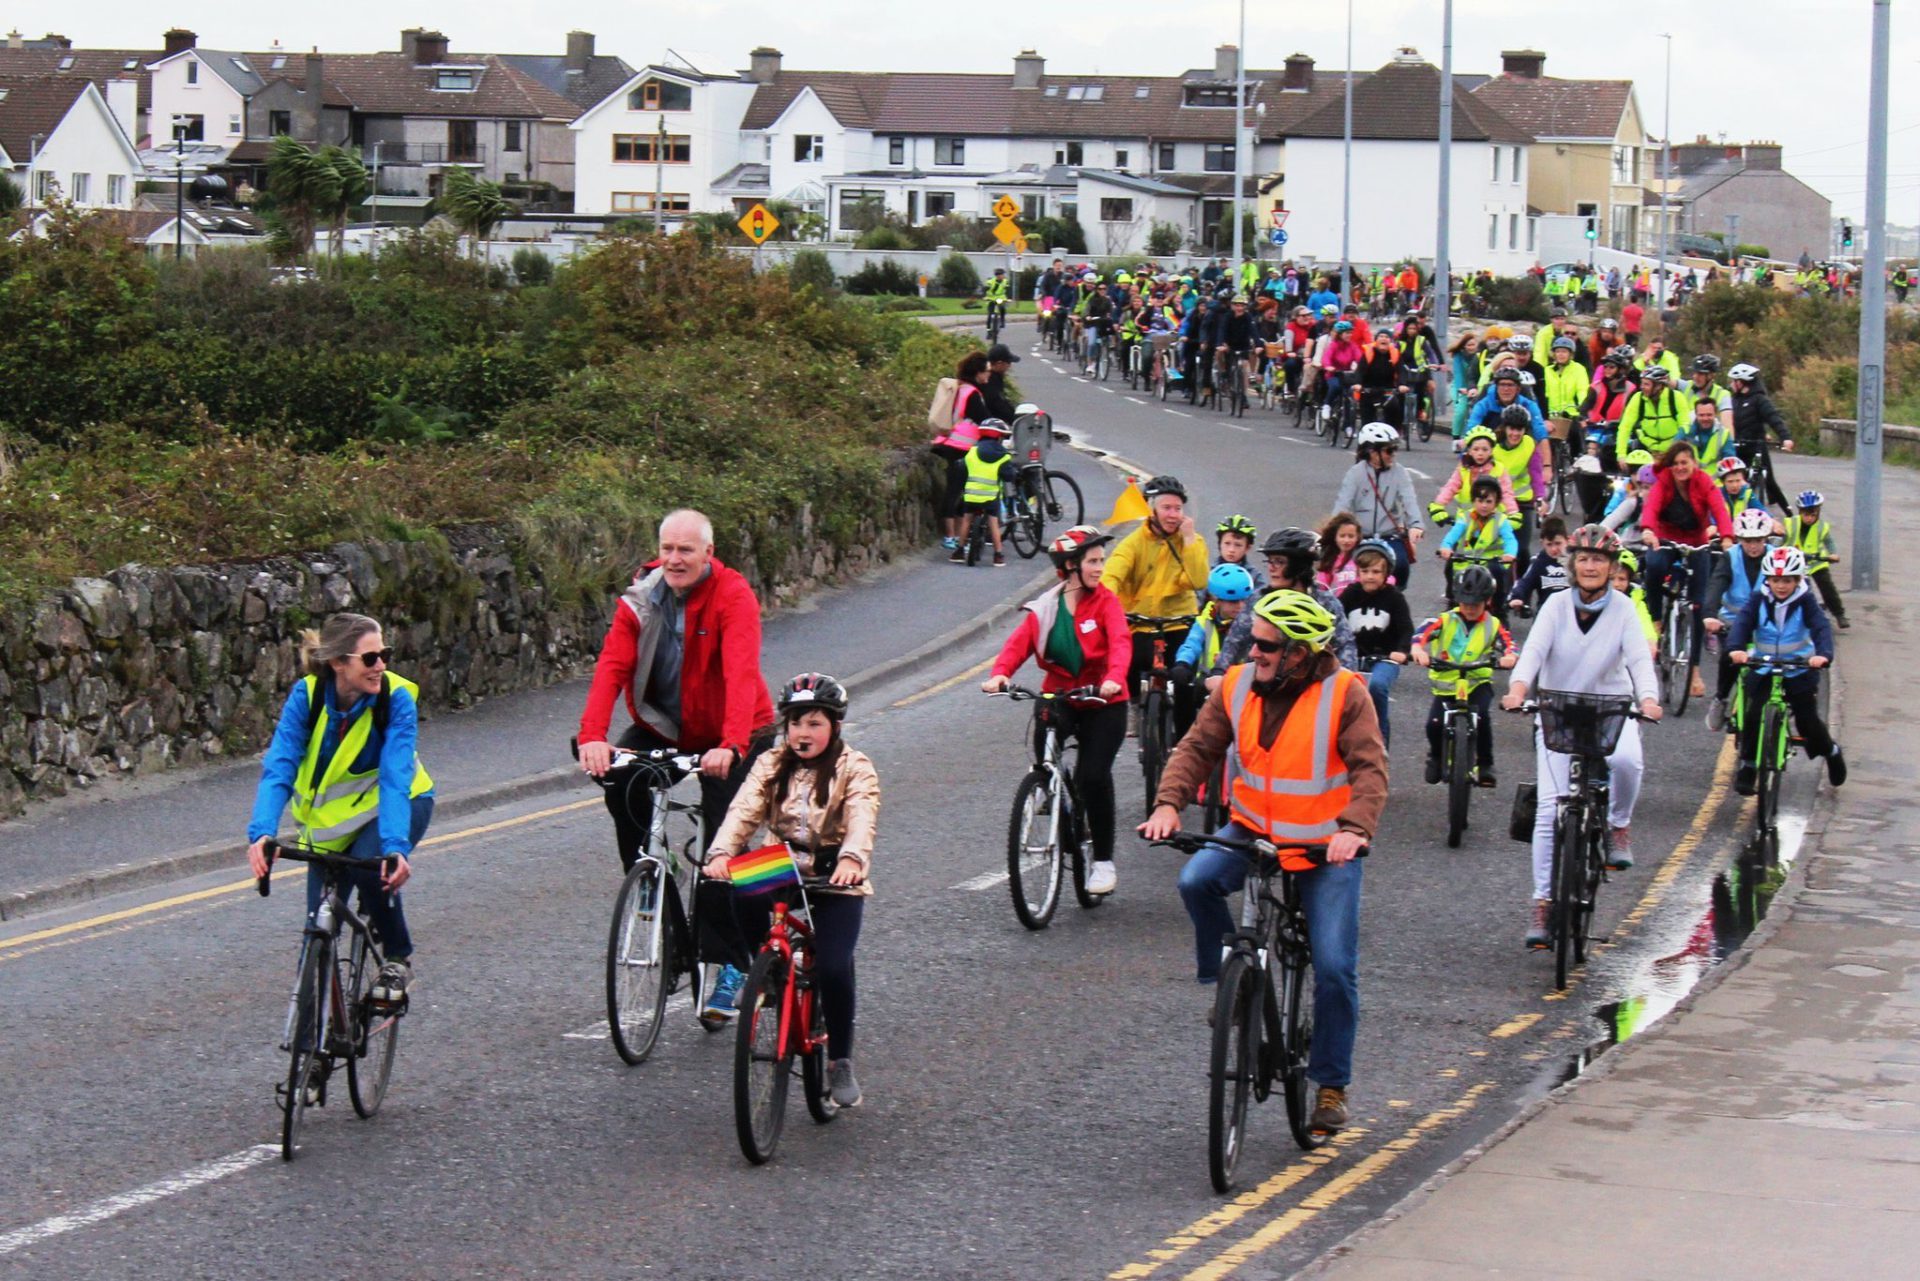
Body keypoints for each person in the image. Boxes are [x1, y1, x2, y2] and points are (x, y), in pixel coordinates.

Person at [1141, 590, 1386, 1137]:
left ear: (1299, 653)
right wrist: (1167, 804)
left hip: (1325, 844)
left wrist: (1354, 830)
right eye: (1254, 642)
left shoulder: (1346, 693)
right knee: (1196, 881)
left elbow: (1371, 769)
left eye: (1267, 646)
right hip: (1252, 828)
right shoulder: (1238, 684)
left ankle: (1330, 1085)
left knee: (1334, 967)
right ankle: (1231, 984)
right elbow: (1196, 747)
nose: (1254, 652)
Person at [700, 674, 878, 1107]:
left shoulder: (855, 766)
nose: (803, 733)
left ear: (835, 726)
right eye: (796, 723)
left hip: (835, 871)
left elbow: (862, 814)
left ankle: (839, 1061)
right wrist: (722, 852)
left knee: (833, 967)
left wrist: (853, 860)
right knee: (733, 884)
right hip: (781, 861)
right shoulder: (770, 762)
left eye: (815, 723)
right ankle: (762, 968)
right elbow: (743, 809)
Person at [247, 612, 434, 1005]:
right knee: (316, 930)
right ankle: (310, 1037)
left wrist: (394, 846)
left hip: (398, 806)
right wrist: (262, 832)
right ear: (338, 662)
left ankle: (397, 959)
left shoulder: (395, 699)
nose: (381, 665)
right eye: (370, 658)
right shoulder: (308, 697)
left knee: (370, 867)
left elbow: (395, 778)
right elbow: (280, 766)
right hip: (332, 827)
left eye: (385, 654)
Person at [578, 509, 775, 870]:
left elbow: (741, 674)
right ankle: (652, 877)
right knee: (621, 782)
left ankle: (755, 898)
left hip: (739, 731)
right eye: (667, 548)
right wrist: (592, 735)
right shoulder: (642, 598)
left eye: (685, 550)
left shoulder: (732, 595)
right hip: (668, 726)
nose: (673, 559)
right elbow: (612, 666)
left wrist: (731, 744)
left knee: (722, 848)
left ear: (708, 553)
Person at [1502, 525, 1662, 947]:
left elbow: (1639, 661)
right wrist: (1518, 690)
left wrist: (1648, 700)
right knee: (1548, 809)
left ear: (1612, 567)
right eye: (1584, 559)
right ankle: (1542, 902)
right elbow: (1533, 653)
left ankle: (1618, 826)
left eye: (1599, 560)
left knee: (1627, 762)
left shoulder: (1624, 609)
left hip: (1611, 709)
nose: (1591, 566)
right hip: (1558, 710)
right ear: (1573, 565)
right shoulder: (1555, 605)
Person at [985, 526, 1132, 895]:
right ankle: (1048, 785)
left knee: (1093, 777)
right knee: (1044, 725)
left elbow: (1121, 643)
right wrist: (1000, 674)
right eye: (1093, 561)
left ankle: (1103, 862)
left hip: (1104, 699)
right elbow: (1019, 643)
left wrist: (1113, 679)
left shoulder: (1107, 603)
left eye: (1101, 560)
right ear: (1071, 566)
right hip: (1063, 693)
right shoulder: (1047, 607)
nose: (1100, 568)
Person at [1728, 547, 1846, 795]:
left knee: (1807, 722)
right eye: (1775, 580)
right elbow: (1742, 623)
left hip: (1798, 668)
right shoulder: (1758, 599)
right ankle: (1749, 765)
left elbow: (1821, 627)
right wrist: (1736, 648)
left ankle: (1831, 751)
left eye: (1787, 580)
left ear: (1798, 579)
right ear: (1768, 579)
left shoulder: (1806, 601)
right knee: (1753, 714)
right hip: (1764, 666)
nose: (1781, 586)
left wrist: (1823, 655)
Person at [1640, 440, 1734, 700]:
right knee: (1654, 566)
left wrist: (1727, 536)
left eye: (1685, 463)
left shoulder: (1704, 482)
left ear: (1694, 463)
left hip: (1696, 543)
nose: (1680, 467)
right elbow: (1652, 507)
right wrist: (1648, 530)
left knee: (1699, 605)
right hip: (1666, 539)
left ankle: (1694, 672)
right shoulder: (1664, 483)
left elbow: (1719, 509)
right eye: (1676, 463)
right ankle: (1656, 619)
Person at [1104, 474, 1211, 700]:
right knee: (1127, 665)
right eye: (1166, 508)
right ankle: (1133, 706)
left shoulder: (1193, 541)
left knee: (1185, 682)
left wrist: (1189, 540)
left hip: (1179, 621)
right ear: (1151, 510)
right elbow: (1111, 576)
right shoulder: (1133, 543)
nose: (1173, 515)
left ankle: (1183, 723)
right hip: (1140, 623)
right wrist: (1107, 606)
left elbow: (1198, 581)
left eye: (1178, 508)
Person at [1412, 565, 1516, 786]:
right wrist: (1418, 649)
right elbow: (1423, 632)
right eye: (1465, 603)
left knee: (1482, 717)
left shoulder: (1493, 625)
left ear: (1487, 601)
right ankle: (1436, 756)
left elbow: (1508, 644)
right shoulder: (1445, 620)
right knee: (1433, 724)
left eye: (1475, 604)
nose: (1469, 608)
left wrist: (1509, 656)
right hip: (1447, 684)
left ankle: (1486, 763)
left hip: (1476, 682)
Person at [1214, 528, 1359, 673]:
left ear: (1300, 566)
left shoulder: (1326, 603)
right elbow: (1234, 641)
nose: (1271, 568)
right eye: (1269, 561)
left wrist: (1345, 680)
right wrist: (1218, 673)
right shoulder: (1258, 599)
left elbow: (1345, 646)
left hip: (1308, 679)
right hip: (1260, 677)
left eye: (1279, 562)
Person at [1702, 506, 1780, 730]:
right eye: (1747, 541)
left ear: (1766, 538)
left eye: (1758, 540)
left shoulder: (1776, 557)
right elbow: (1716, 586)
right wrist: (1709, 615)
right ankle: (1721, 698)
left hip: (1766, 624)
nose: (1753, 546)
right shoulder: (1730, 557)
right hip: (1732, 623)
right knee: (1730, 658)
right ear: (1739, 539)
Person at [1340, 538, 1412, 747]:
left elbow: (1406, 629)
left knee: (1377, 686)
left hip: (1384, 659)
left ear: (1386, 573)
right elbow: (1334, 622)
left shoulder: (1395, 598)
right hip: (1352, 657)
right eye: (1365, 571)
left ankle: (1380, 742)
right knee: (1337, 691)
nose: (1370, 576)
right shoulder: (1349, 595)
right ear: (1358, 572)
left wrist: (1402, 651)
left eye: (1376, 572)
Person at [1334, 423, 1426, 586]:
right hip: (1361, 537)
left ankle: (1394, 597)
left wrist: (1416, 525)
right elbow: (1343, 504)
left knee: (1401, 566)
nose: (1393, 455)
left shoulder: (1400, 472)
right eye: (1389, 450)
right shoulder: (1355, 473)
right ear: (1372, 451)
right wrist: (1332, 531)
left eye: (1395, 449)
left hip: (1389, 535)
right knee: (1347, 570)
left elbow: (1409, 500)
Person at [930, 351, 993, 549]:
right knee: (958, 491)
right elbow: (985, 420)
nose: (989, 374)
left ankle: (956, 536)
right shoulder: (972, 394)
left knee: (957, 490)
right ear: (977, 373)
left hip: (950, 443)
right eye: (986, 371)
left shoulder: (961, 387)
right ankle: (951, 536)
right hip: (962, 446)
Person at [1173, 563, 1257, 694]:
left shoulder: (1252, 624)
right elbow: (1192, 644)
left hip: (1240, 683)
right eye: (1233, 601)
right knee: (1183, 694)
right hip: (1207, 682)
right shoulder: (1204, 621)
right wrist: (1183, 663)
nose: (1240, 606)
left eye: (1244, 600)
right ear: (1217, 601)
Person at [1438, 476, 1520, 611]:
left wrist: (1510, 554)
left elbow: (1510, 540)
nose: (1484, 505)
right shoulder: (1465, 517)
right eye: (1480, 501)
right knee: (1450, 568)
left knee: (1499, 576)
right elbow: (1452, 536)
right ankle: (1452, 599)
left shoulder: (1501, 520)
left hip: (1490, 565)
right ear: (1473, 501)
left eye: (1489, 501)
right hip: (1466, 564)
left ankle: (1499, 609)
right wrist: (1445, 547)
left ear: (1496, 503)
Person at [1728, 362, 1795, 518]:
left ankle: (1790, 514)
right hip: (1738, 446)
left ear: (1741, 382)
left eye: (1733, 381)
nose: (1731, 384)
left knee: (1769, 480)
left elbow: (1774, 419)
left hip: (1756, 447)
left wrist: (1785, 438)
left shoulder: (1759, 399)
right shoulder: (1733, 400)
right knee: (1734, 479)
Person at [951, 418, 1014, 567]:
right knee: (993, 521)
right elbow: (1009, 476)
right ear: (999, 437)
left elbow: (962, 468)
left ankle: (959, 551)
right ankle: (998, 555)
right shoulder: (1004, 456)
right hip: (990, 496)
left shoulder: (973, 451)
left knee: (967, 519)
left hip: (972, 494)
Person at [1782, 490, 1849, 629]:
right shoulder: (1791, 524)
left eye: (1813, 515)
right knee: (1785, 584)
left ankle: (1839, 614)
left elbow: (1829, 541)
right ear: (1800, 512)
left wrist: (1833, 553)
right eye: (1806, 515)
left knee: (1827, 586)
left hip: (1816, 562)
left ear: (1818, 512)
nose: (1809, 518)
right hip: (1793, 561)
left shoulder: (1822, 527)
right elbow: (1781, 539)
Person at [1429, 427, 1519, 529]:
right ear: (1469, 451)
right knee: (1450, 539)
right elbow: (1451, 487)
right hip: (1465, 523)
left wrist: (1513, 513)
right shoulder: (1463, 469)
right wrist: (1438, 505)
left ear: (1491, 451)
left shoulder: (1499, 469)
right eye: (1476, 449)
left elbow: (1506, 493)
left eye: (1485, 449)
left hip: (1492, 523)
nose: (1480, 453)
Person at [1491, 404, 1548, 564]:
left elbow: (1536, 474)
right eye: (1511, 429)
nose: (1515, 434)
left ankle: (1522, 580)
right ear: (1504, 427)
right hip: (1497, 503)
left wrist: (1540, 498)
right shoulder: (1492, 445)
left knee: (1522, 550)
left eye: (1520, 429)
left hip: (1522, 504)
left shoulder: (1529, 444)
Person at [1616, 365, 1688, 468]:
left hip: (1672, 449)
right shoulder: (1638, 398)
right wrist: (1621, 454)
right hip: (1647, 447)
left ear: (1659, 386)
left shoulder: (1677, 397)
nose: (1642, 387)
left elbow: (1685, 425)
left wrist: (1673, 448)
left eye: (1646, 384)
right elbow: (1625, 427)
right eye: (1642, 383)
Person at [1508, 516, 1572, 616]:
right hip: (1547, 612)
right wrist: (1517, 597)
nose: (1554, 549)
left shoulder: (1575, 560)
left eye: (1558, 543)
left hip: (1572, 612)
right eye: (1549, 544)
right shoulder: (1538, 562)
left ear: (1567, 540)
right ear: (1542, 543)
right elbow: (1524, 582)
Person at [1315, 511, 1366, 595]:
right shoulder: (1330, 558)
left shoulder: (1363, 556)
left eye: (1351, 536)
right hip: (1338, 600)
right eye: (1342, 536)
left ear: (1357, 537)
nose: (1346, 540)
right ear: (1335, 537)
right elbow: (1321, 585)